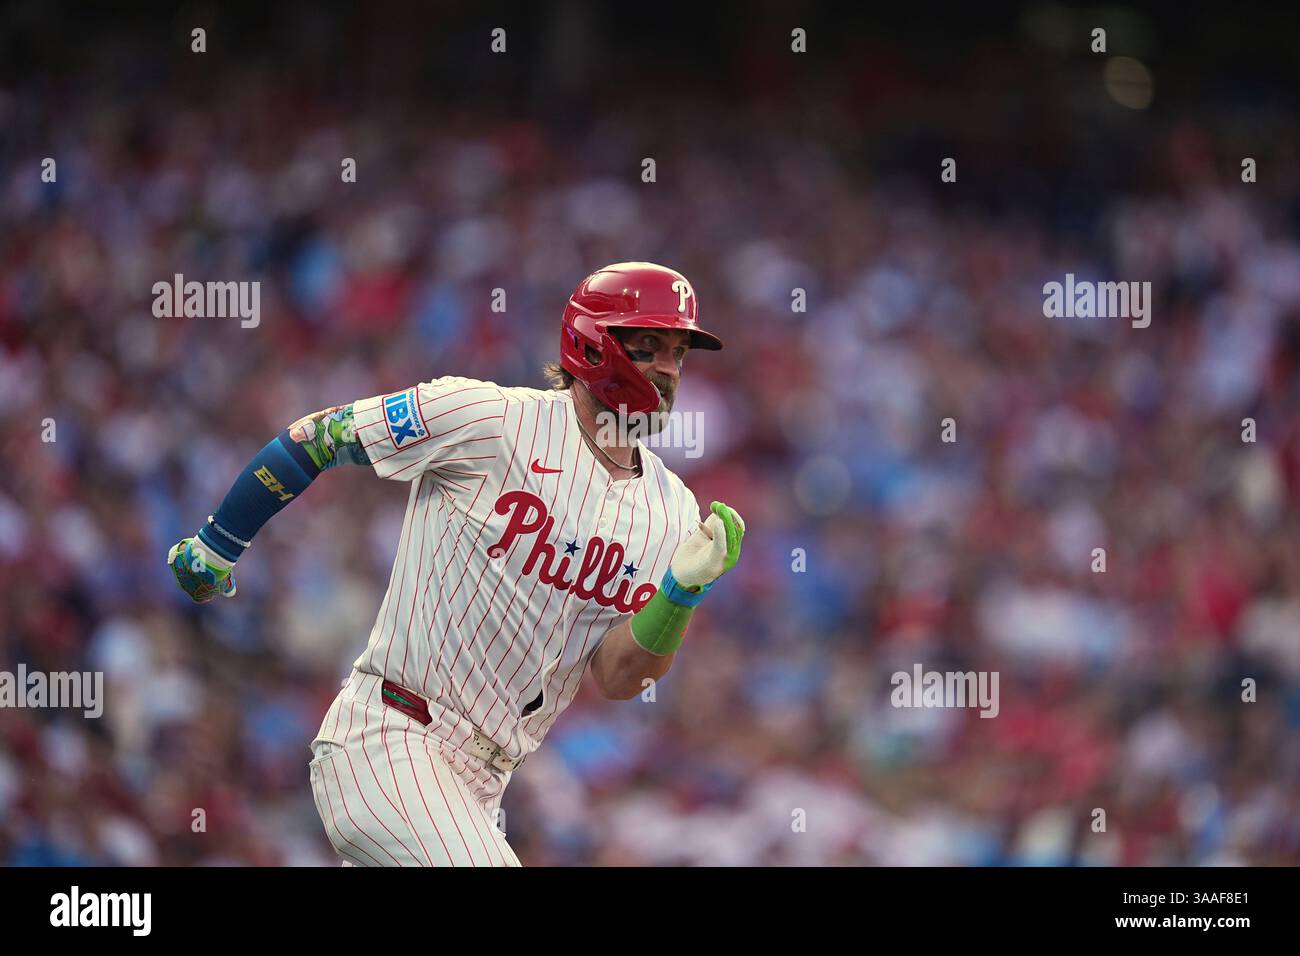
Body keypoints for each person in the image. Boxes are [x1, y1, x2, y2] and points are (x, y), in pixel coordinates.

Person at [166, 262, 746, 866]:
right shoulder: (490, 419)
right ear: (594, 341)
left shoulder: (671, 509)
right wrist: (219, 541)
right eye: (648, 346)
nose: (668, 369)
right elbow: (322, 436)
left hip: (483, 786)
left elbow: (620, 677)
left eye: (678, 353)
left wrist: (681, 593)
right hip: (390, 736)